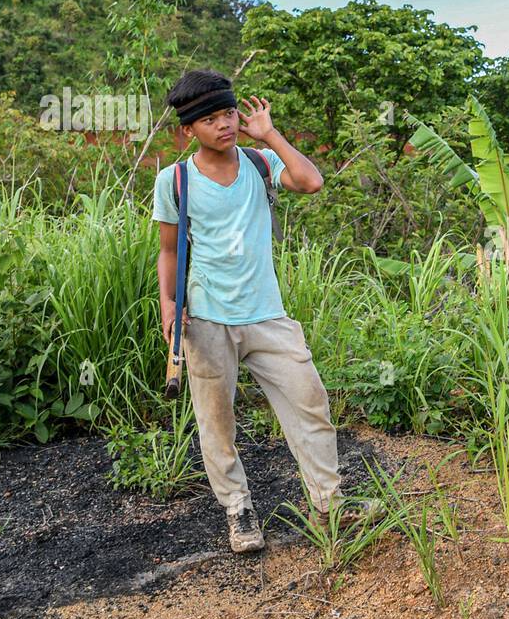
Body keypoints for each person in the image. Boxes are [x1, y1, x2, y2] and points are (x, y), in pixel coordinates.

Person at [152, 69, 383, 553]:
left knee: (310, 403)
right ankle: (238, 512)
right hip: (207, 319)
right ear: (188, 130)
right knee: (216, 422)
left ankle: (328, 508)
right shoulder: (174, 180)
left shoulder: (260, 162)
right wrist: (169, 306)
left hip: (267, 315)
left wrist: (271, 134)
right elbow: (169, 251)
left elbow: (311, 181)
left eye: (229, 113)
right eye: (211, 119)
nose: (224, 125)